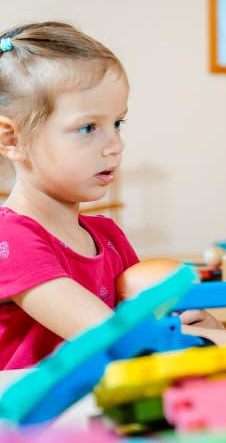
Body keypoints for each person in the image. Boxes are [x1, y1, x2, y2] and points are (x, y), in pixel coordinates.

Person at [0, 22, 139, 369]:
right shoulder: (10, 240)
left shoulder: (108, 237)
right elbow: (113, 337)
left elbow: (149, 315)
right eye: (88, 128)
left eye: (118, 123)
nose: (115, 146)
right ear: (11, 139)